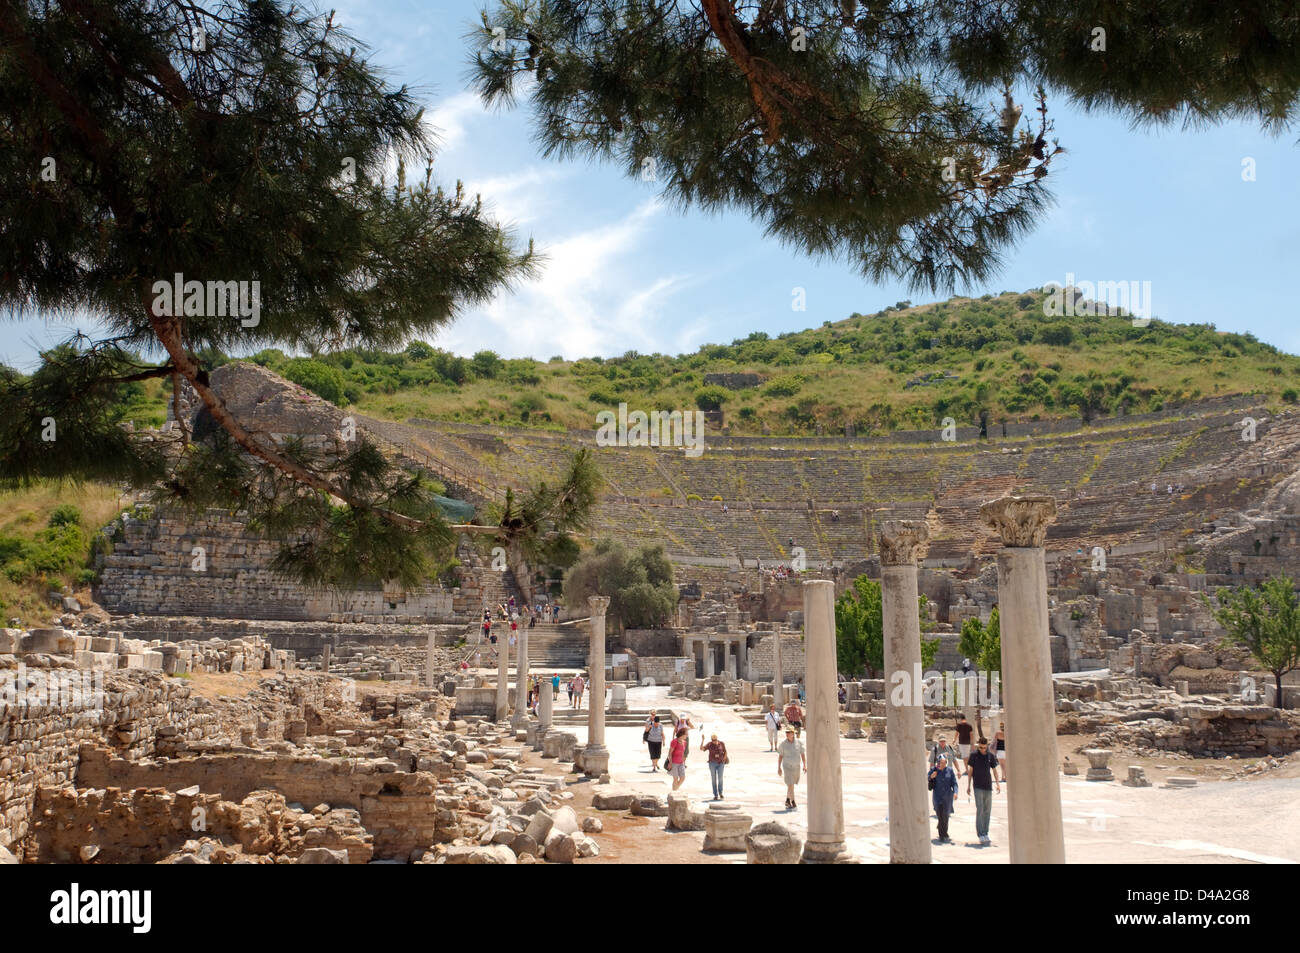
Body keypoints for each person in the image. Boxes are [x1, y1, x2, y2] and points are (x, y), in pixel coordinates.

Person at [965, 737, 1002, 845]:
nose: (982, 749)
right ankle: (980, 833)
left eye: (984, 748)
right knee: (980, 809)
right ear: (978, 745)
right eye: (981, 747)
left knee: (987, 810)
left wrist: (998, 784)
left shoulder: (990, 756)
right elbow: (970, 771)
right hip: (977, 786)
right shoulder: (974, 755)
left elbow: (995, 771)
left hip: (988, 786)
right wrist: (968, 786)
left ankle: (986, 832)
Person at [929, 754, 959, 843]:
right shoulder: (934, 770)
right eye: (941, 762)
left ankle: (944, 832)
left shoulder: (949, 770)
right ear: (938, 763)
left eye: (944, 762)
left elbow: (954, 783)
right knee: (940, 815)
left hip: (947, 797)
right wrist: (931, 777)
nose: (942, 764)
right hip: (937, 797)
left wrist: (956, 792)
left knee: (945, 816)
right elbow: (926, 778)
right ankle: (942, 833)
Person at [776, 727, 806, 809]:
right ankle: (793, 801)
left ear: (793, 734)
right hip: (787, 766)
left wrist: (804, 765)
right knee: (790, 783)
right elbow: (780, 756)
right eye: (786, 732)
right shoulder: (783, 744)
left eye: (789, 732)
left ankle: (787, 800)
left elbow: (802, 754)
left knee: (791, 785)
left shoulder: (799, 743)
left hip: (796, 767)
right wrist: (779, 767)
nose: (787, 734)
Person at [701, 733, 729, 800]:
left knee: (720, 778)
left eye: (715, 740)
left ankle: (721, 793)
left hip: (720, 763)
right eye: (713, 740)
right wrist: (702, 740)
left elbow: (725, 752)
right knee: (713, 779)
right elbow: (702, 749)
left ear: (717, 739)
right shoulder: (709, 744)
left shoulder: (721, 743)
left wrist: (724, 759)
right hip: (712, 763)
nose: (714, 741)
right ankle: (715, 794)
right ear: (711, 740)